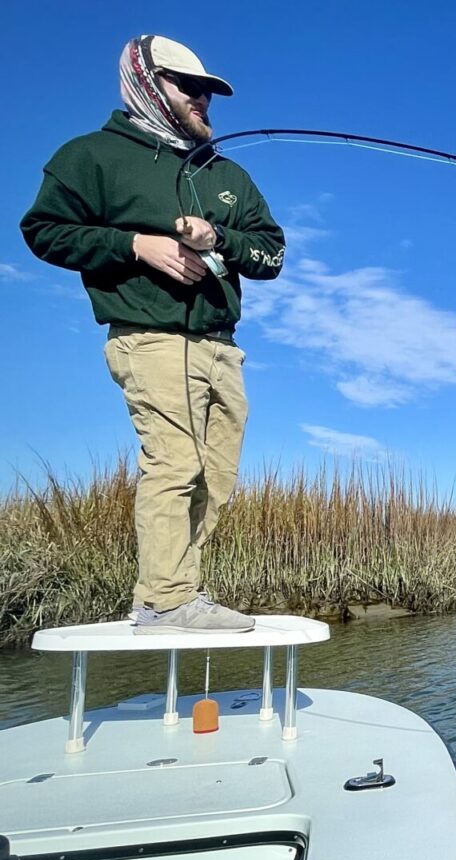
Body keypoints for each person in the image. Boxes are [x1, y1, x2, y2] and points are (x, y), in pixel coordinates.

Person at [20, 35, 285, 633]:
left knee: (216, 479)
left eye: (208, 92)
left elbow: (271, 254)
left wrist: (219, 239)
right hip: (149, 336)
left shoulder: (228, 175)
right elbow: (44, 231)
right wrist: (136, 245)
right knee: (175, 462)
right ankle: (167, 601)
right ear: (145, 81)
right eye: (188, 87)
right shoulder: (91, 155)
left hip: (222, 346)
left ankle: (170, 593)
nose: (203, 100)